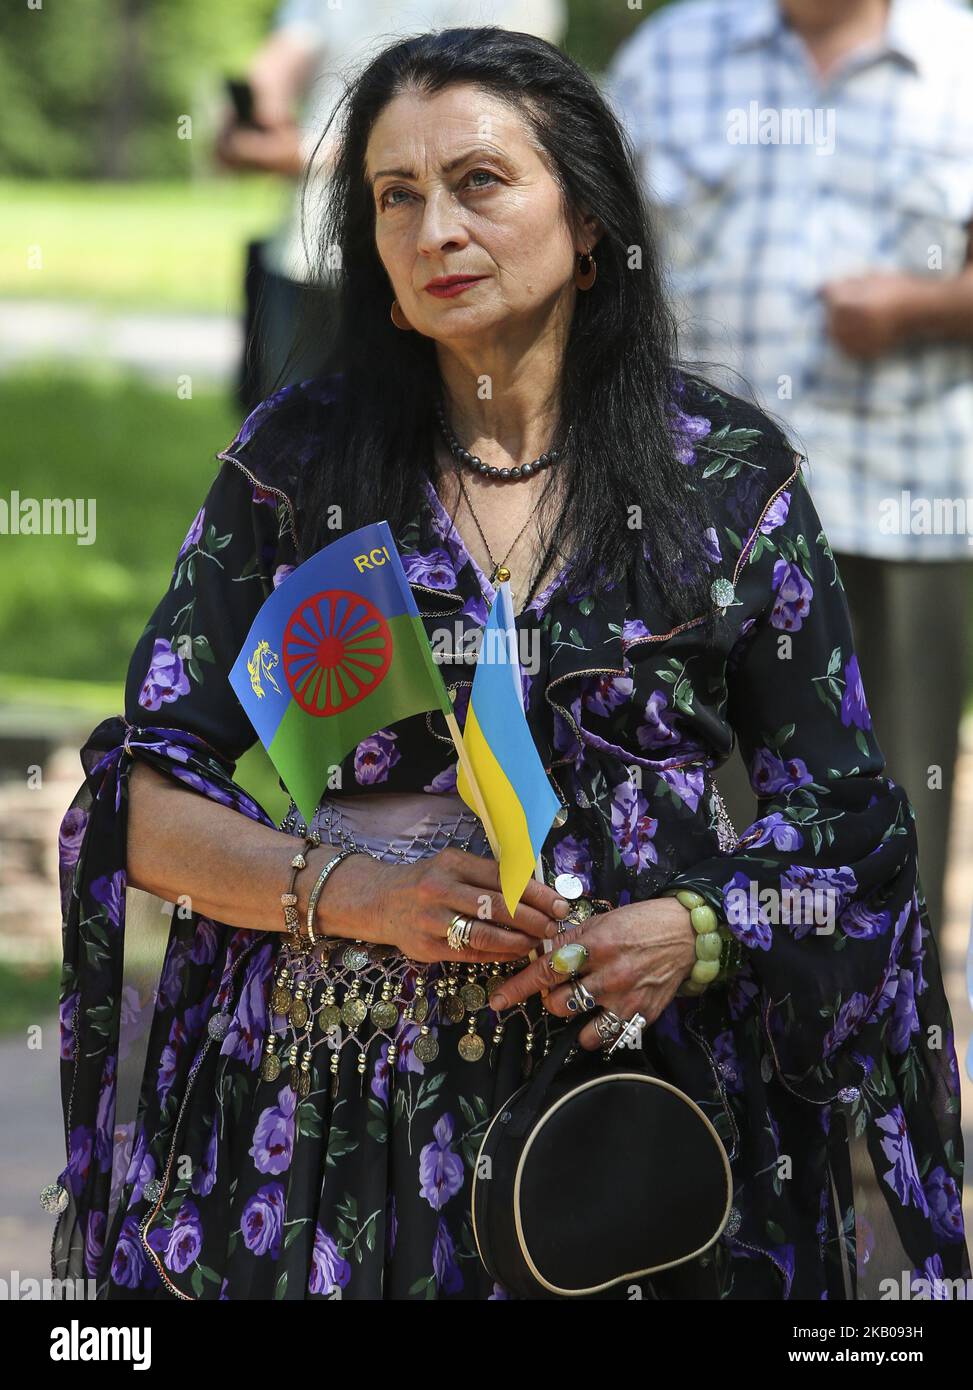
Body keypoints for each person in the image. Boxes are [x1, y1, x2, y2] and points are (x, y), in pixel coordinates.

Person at [46, 26, 968, 1301]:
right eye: (394, 197)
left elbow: (849, 822)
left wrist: (696, 930)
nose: (435, 229)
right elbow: (140, 800)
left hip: (636, 1127)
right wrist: (348, 891)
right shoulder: (301, 467)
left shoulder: (723, 477)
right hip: (333, 1132)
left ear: (586, 224)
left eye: (479, 182)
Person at [606, 0, 973, 943]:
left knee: (891, 809)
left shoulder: (957, 59)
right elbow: (590, 243)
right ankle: (714, 1080)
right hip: (690, 515)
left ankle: (883, 1058)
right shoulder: (671, 52)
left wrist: (922, 307)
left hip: (902, 502)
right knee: (698, 823)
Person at [216, 0, 566, 413]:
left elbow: (501, 119)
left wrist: (303, 152)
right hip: (306, 251)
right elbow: (279, 64)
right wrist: (255, 111)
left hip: (429, 264)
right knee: (292, 433)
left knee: (417, 424)